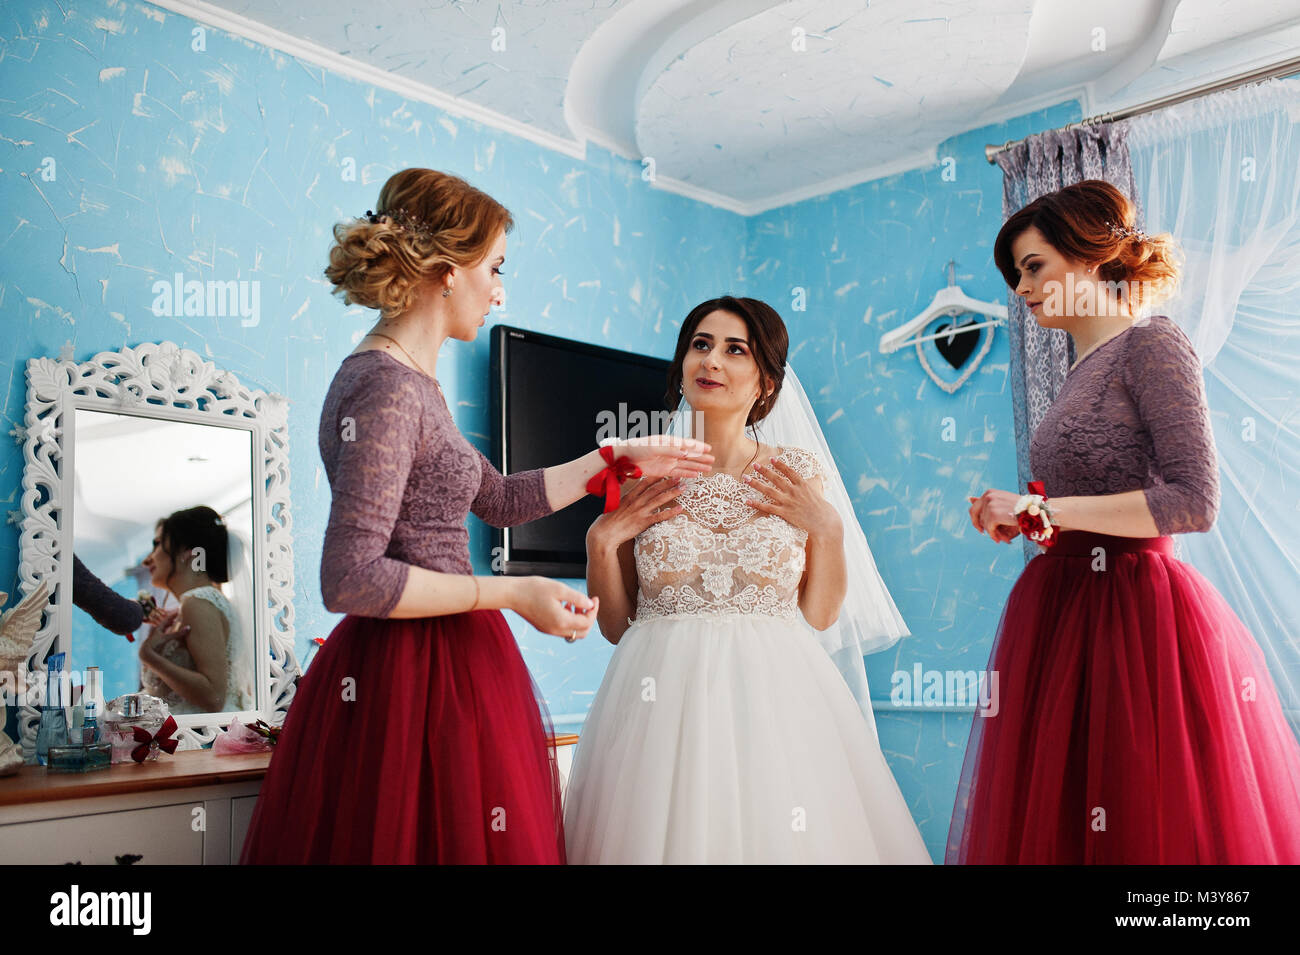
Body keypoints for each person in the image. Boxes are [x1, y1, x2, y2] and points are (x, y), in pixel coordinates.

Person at [239, 168, 711, 865]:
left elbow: (499, 498)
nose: (500, 290)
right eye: (494, 267)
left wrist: (617, 456)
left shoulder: (408, 380)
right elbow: (351, 578)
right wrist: (513, 593)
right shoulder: (389, 388)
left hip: (438, 664)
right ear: (445, 271)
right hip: (411, 677)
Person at [949, 178, 1300, 864]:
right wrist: (1028, 522)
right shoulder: (1076, 373)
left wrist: (1043, 509)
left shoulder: (1154, 345)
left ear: (1088, 254)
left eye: (1032, 266)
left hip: (1139, 622)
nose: (1020, 289)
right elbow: (1086, 507)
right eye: (1016, 274)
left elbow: (1194, 499)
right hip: (1064, 614)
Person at [564, 296, 931, 864]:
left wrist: (827, 529)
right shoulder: (641, 472)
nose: (711, 360)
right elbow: (616, 625)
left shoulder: (798, 472)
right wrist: (600, 542)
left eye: (735, 349)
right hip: (656, 701)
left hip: (775, 700)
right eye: (700, 345)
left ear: (765, 381)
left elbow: (821, 615)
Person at [139, 506, 254, 714]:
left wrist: (149, 656)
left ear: (188, 553)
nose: (148, 559)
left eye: (157, 544)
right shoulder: (195, 604)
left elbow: (214, 697)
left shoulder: (198, 602)